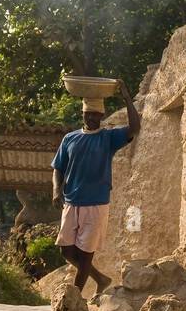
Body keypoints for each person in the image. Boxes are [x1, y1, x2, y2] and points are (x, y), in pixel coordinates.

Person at [51, 78, 141, 297]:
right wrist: (56, 189)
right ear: (82, 115)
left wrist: (127, 98)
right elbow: (58, 168)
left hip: (96, 203)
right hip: (71, 201)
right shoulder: (69, 139)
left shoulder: (108, 138)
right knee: (66, 251)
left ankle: (73, 299)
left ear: (101, 117)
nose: (91, 118)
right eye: (87, 114)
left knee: (85, 254)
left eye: (95, 115)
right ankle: (100, 278)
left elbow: (135, 127)